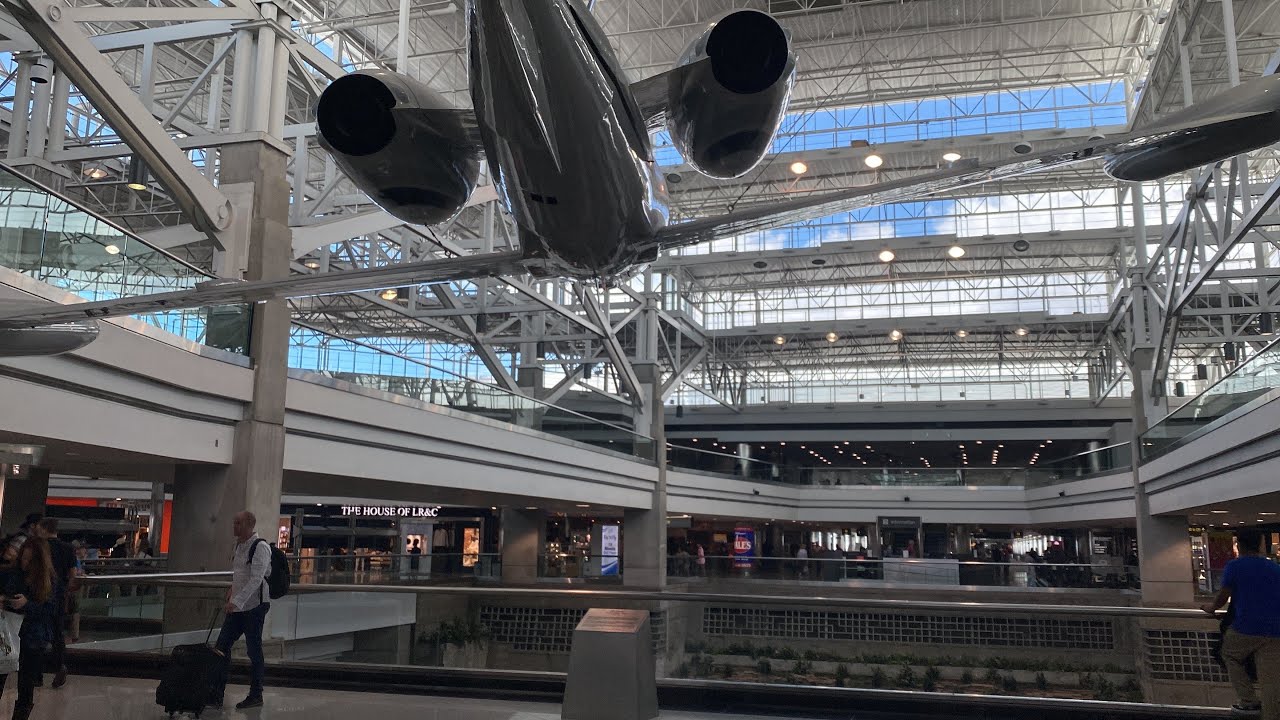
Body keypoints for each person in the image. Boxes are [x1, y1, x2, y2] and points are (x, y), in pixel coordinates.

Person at [1202, 528, 1280, 718]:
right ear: (1261, 545)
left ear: (1239, 544)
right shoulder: (1275, 568)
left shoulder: (1235, 566)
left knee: (1228, 653)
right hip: (1276, 629)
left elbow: (1223, 595)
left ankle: (1248, 700)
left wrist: (1211, 608)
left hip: (1246, 627)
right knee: (1270, 680)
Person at [211, 511, 272, 711]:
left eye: (237, 523)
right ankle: (215, 693)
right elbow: (240, 575)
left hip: (254, 607)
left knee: (254, 650)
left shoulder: (260, 547)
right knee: (221, 647)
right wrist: (232, 590)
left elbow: (256, 579)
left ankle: (256, 694)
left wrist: (236, 601)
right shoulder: (239, 546)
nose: (234, 526)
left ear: (248, 525)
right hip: (238, 606)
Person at [0, 536, 60, 720]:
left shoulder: (48, 580)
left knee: (26, 686)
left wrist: (27, 605)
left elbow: (51, 609)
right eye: (23, 558)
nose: (24, 563)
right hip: (9, 632)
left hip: (32, 637)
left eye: (29, 560)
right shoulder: (12, 573)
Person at [37, 518, 76, 689]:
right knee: (57, 634)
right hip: (59, 595)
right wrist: (66, 592)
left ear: (44, 529)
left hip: (40, 594)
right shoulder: (68, 548)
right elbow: (72, 573)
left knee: (37, 633)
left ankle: (36, 673)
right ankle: (59, 665)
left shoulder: (40, 548)